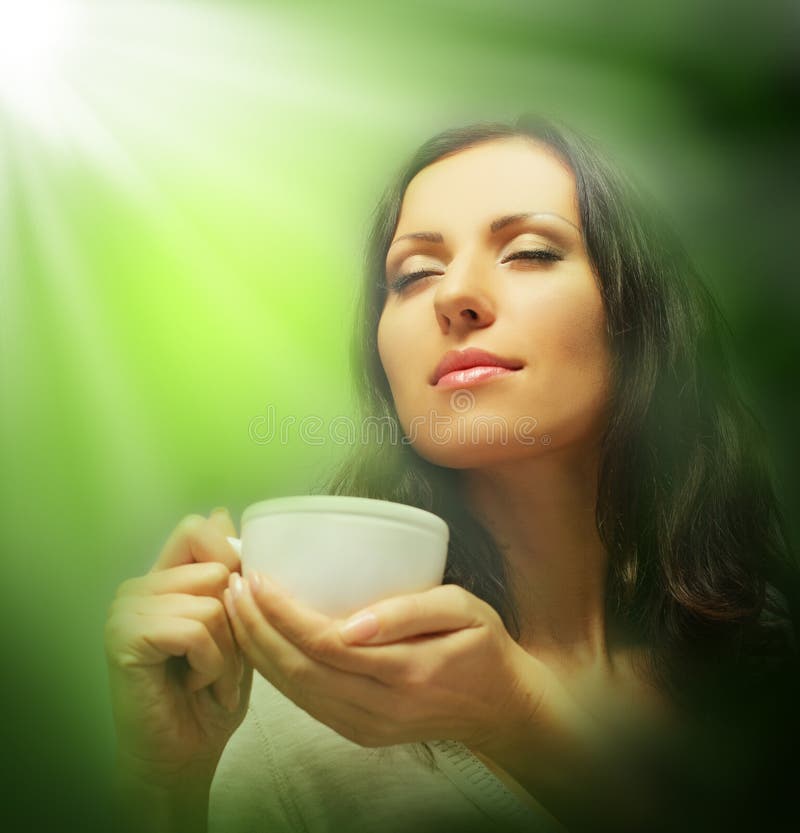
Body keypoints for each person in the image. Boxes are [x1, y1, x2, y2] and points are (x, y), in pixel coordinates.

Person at [104, 114, 800, 833]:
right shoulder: (297, 720)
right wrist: (165, 787)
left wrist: (519, 721)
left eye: (528, 252)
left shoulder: (763, 680)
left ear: (635, 314)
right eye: (413, 273)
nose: (453, 294)